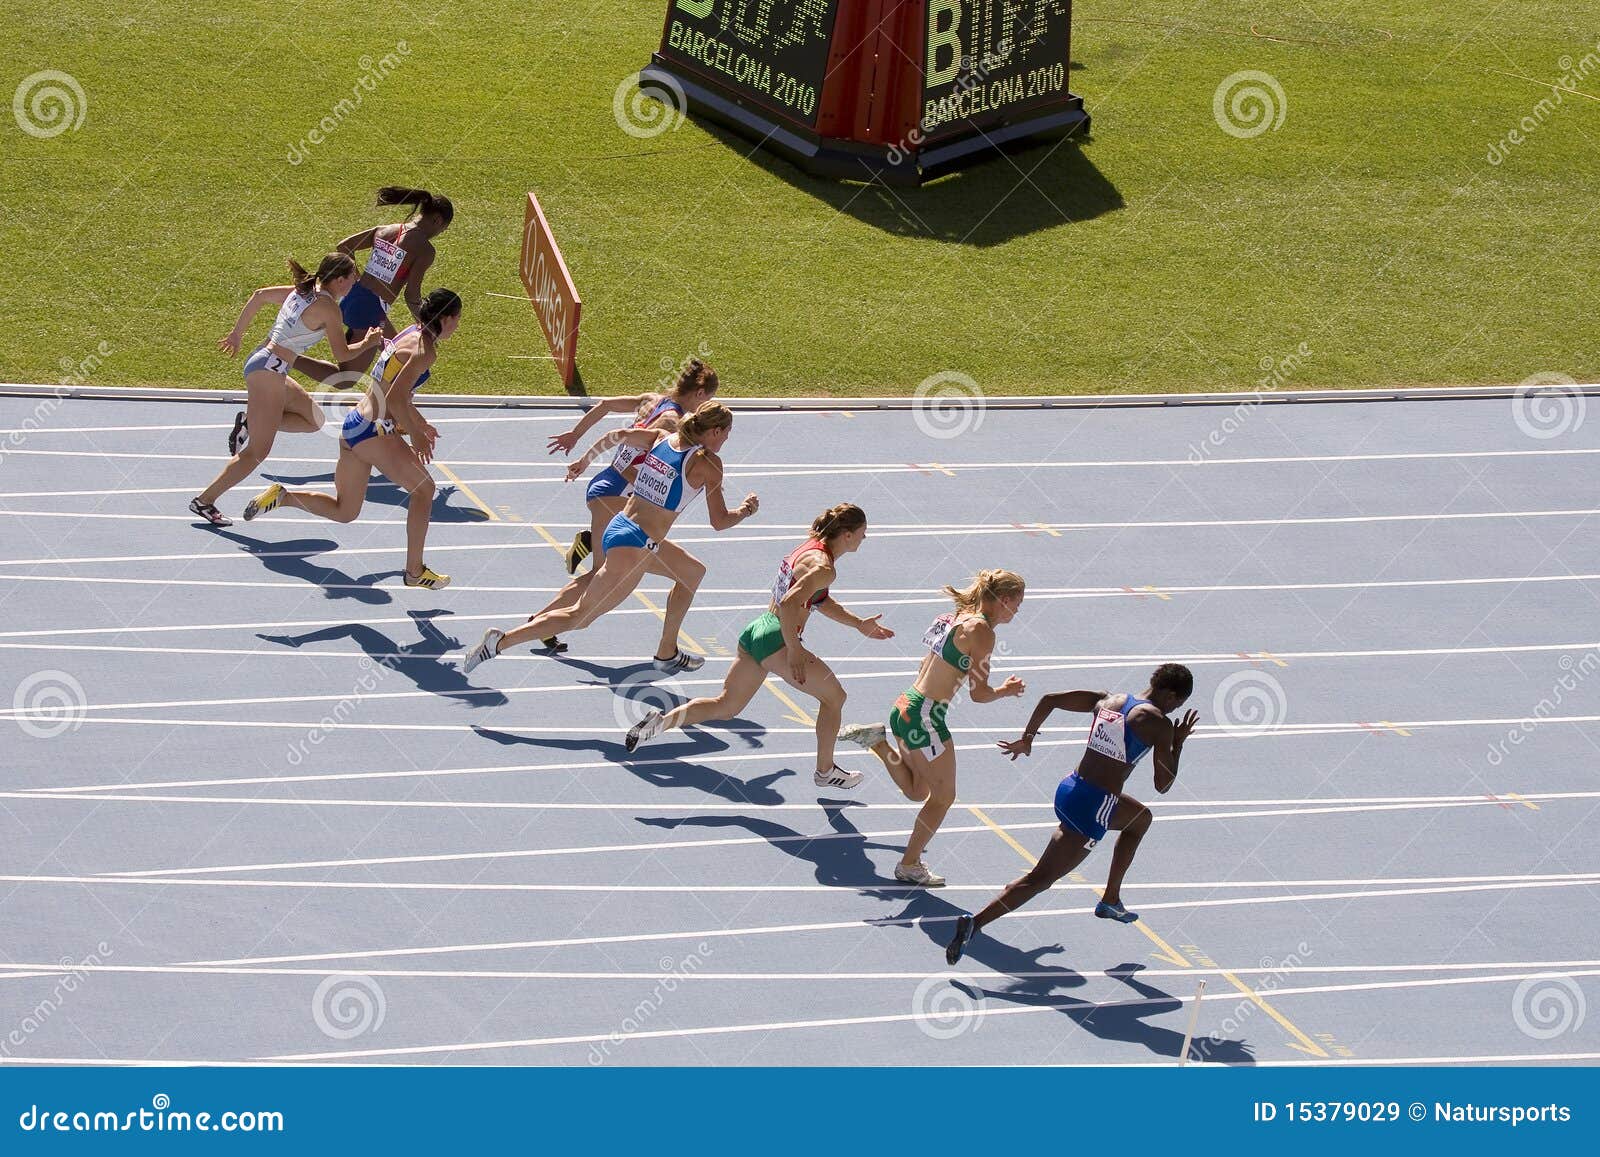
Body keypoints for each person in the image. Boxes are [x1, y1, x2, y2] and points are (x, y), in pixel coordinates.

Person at [460, 401, 758, 674]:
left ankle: (666, 651)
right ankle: (500, 642)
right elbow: (719, 522)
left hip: (622, 528)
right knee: (580, 617)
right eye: (727, 434)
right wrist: (745, 510)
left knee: (692, 572)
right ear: (715, 431)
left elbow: (617, 434)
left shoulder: (661, 438)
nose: (727, 441)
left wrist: (586, 459)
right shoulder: (708, 463)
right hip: (635, 544)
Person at [624, 503, 894, 789]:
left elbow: (817, 599)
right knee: (835, 698)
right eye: (863, 533)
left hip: (758, 630)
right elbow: (790, 602)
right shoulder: (824, 568)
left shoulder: (810, 548)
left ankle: (660, 723)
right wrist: (794, 649)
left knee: (726, 705)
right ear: (848, 535)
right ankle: (825, 771)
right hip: (778, 637)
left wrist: (857, 623)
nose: (865, 538)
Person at [944, 664, 1200, 965]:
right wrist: (1177, 744)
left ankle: (1110, 899)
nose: (1175, 710)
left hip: (1070, 788)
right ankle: (975, 922)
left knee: (1140, 819)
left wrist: (1027, 738)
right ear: (1171, 696)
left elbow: (1050, 699)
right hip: (1093, 807)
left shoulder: (1109, 700)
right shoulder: (1159, 723)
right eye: (1178, 705)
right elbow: (1163, 784)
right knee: (1040, 878)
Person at [238, 289, 463, 590]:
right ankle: (414, 571)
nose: (458, 327)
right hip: (374, 430)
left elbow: (389, 388)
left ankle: (284, 497)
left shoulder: (408, 334)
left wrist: (420, 423)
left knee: (345, 511)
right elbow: (395, 399)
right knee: (424, 490)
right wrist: (418, 435)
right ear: (446, 319)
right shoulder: (425, 351)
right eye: (457, 320)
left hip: (354, 424)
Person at [837, 569, 1027, 886]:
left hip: (906, 705)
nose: (1018, 611)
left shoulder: (956, 616)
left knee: (918, 790)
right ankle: (909, 864)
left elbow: (924, 664)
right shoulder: (983, 632)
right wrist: (1006, 690)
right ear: (1003, 600)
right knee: (943, 797)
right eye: (1017, 604)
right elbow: (979, 694)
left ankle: (878, 742)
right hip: (926, 718)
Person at [191, 254, 382, 527]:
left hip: (266, 364)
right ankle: (204, 501)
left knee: (314, 420)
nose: (354, 284)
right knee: (257, 452)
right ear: (340, 280)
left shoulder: (302, 290)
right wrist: (369, 342)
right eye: (352, 279)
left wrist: (237, 334)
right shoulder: (329, 308)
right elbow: (342, 354)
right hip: (268, 371)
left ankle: (250, 421)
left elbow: (258, 296)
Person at [546, 357, 719, 576]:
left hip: (607, 483)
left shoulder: (652, 400)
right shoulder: (672, 423)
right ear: (700, 393)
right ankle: (549, 609)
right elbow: (636, 465)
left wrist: (575, 435)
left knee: (616, 568)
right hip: (616, 493)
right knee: (600, 576)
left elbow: (605, 404)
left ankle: (590, 540)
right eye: (709, 399)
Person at [292, 186, 454, 385]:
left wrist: (356, 279)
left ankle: (390, 407)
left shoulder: (385, 230)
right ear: (437, 220)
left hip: (355, 298)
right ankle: (284, 355)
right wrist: (428, 326)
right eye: (442, 229)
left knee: (398, 355)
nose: (439, 233)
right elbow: (411, 295)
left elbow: (344, 246)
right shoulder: (424, 249)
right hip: (370, 311)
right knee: (344, 379)